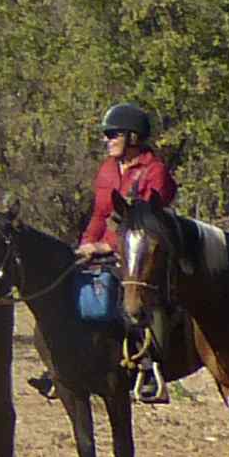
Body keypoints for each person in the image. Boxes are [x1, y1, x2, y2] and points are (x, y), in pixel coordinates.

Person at [69, 102, 178, 331]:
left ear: (133, 137)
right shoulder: (107, 169)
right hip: (108, 251)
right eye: (105, 135)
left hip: (141, 256)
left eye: (112, 134)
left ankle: (154, 357)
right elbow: (100, 215)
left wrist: (105, 247)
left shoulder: (154, 171)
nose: (106, 140)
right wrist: (87, 244)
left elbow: (145, 227)